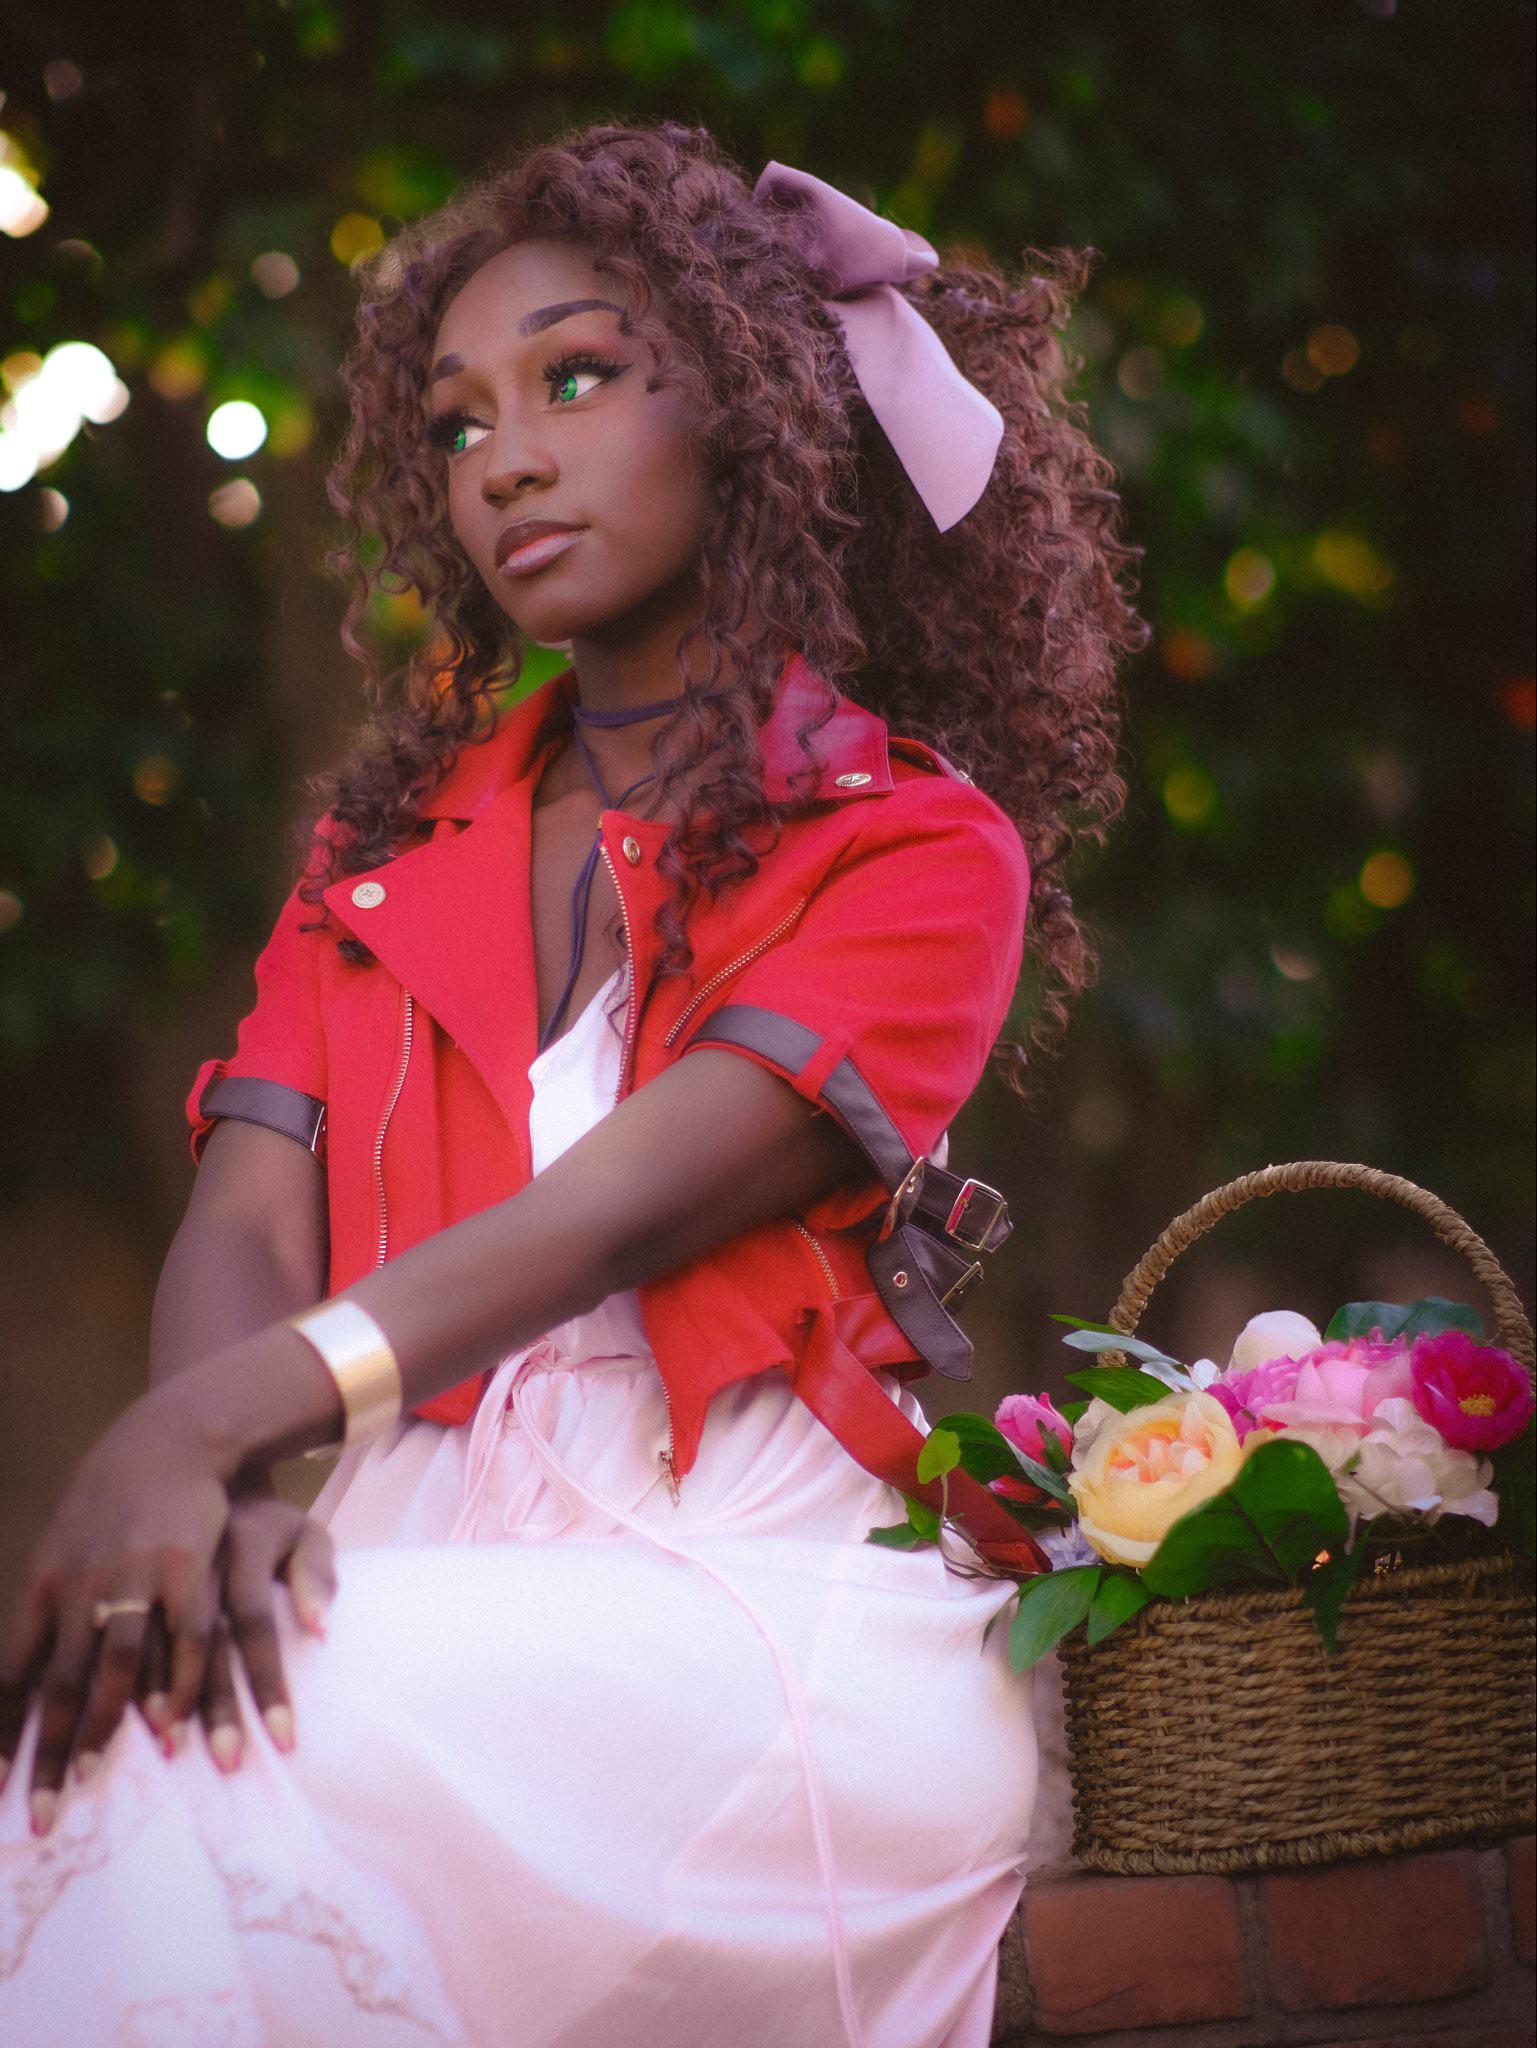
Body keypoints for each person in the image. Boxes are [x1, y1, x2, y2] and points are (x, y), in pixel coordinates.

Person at [0, 121, 1142, 2047]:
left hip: (753, 1610)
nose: (506, 458)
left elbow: (609, 1210)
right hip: (406, 1556)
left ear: (753, 405)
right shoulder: (372, 862)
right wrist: (234, 1478)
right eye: (455, 425)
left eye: (579, 376)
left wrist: (192, 1437)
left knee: (198, 1755)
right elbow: (247, 1210)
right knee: (122, 1728)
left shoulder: (914, 855)